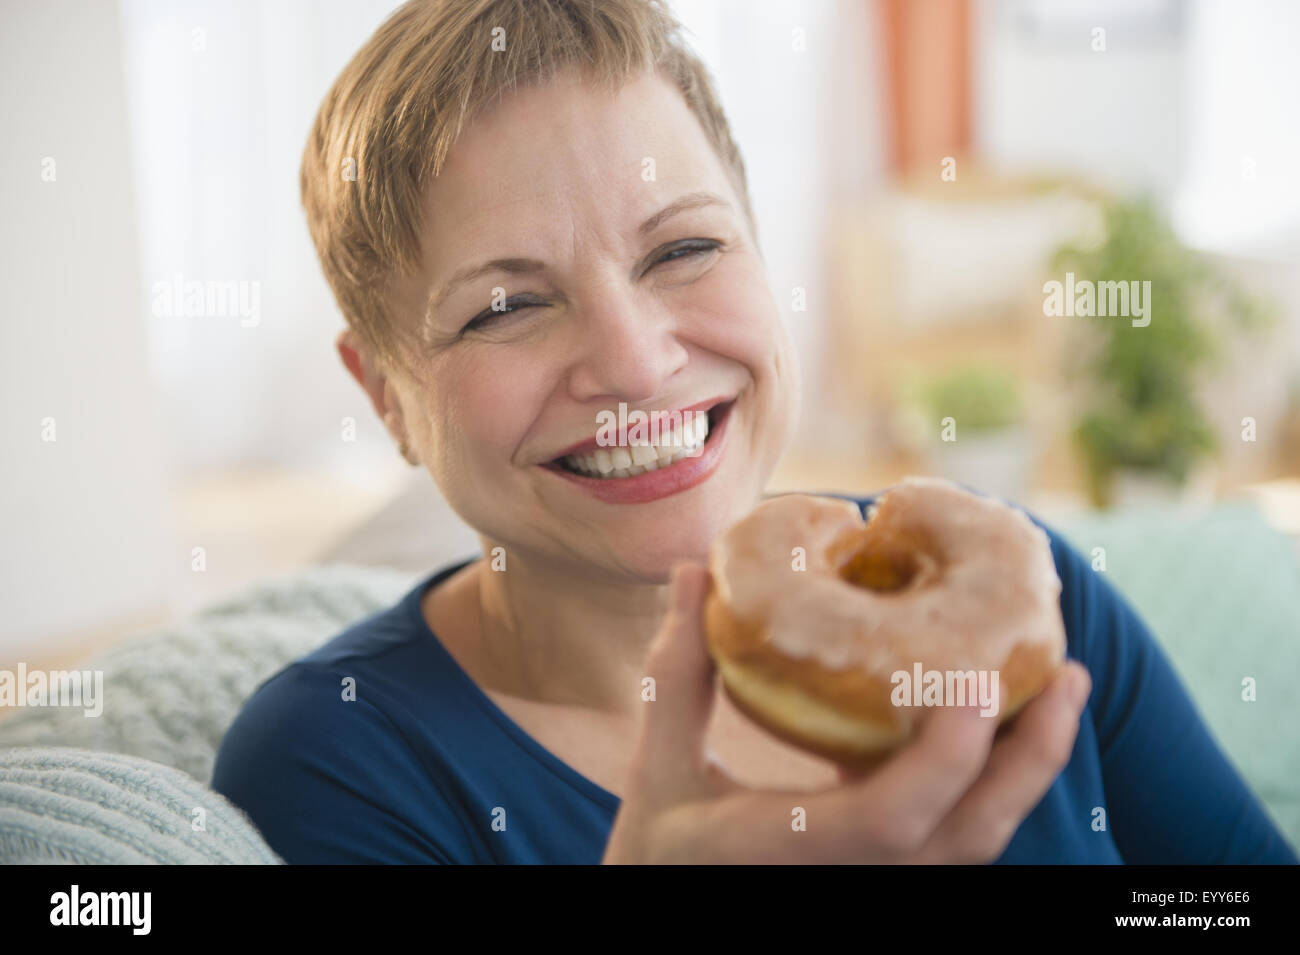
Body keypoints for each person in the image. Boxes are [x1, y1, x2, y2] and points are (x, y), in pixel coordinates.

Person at [210, 0, 1297, 865]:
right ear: (386, 396)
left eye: (683, 249)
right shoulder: (341, 762)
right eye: (506, 306)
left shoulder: (1024, 602)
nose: (636, 363)